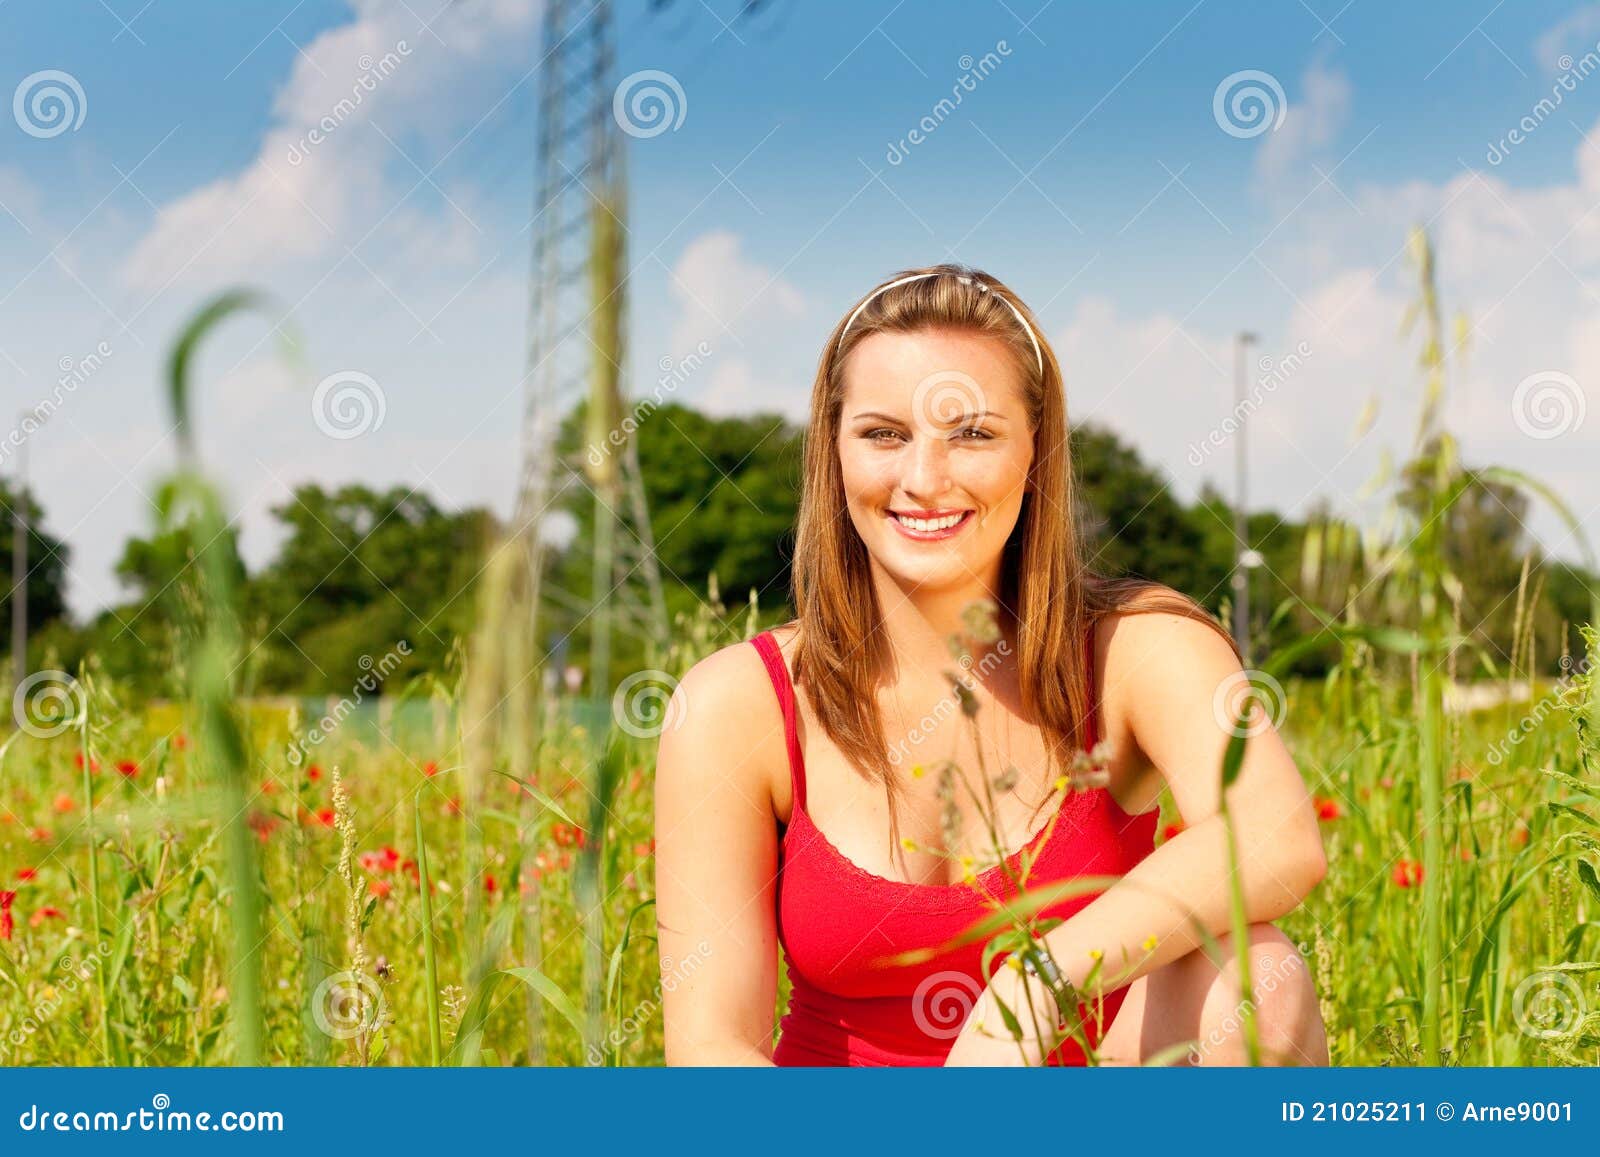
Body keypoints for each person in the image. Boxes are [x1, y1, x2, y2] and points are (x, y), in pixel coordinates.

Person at [654, 264, 1330, 1067]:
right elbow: (709, 1047)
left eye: (971, 433)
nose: (924, 478)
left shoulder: (1139, 647)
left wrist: (1036, 983)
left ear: (1036, 452)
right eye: (882, 433)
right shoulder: (739, 701)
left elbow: (1278, 832)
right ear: (831, 452)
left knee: (1261, 977)